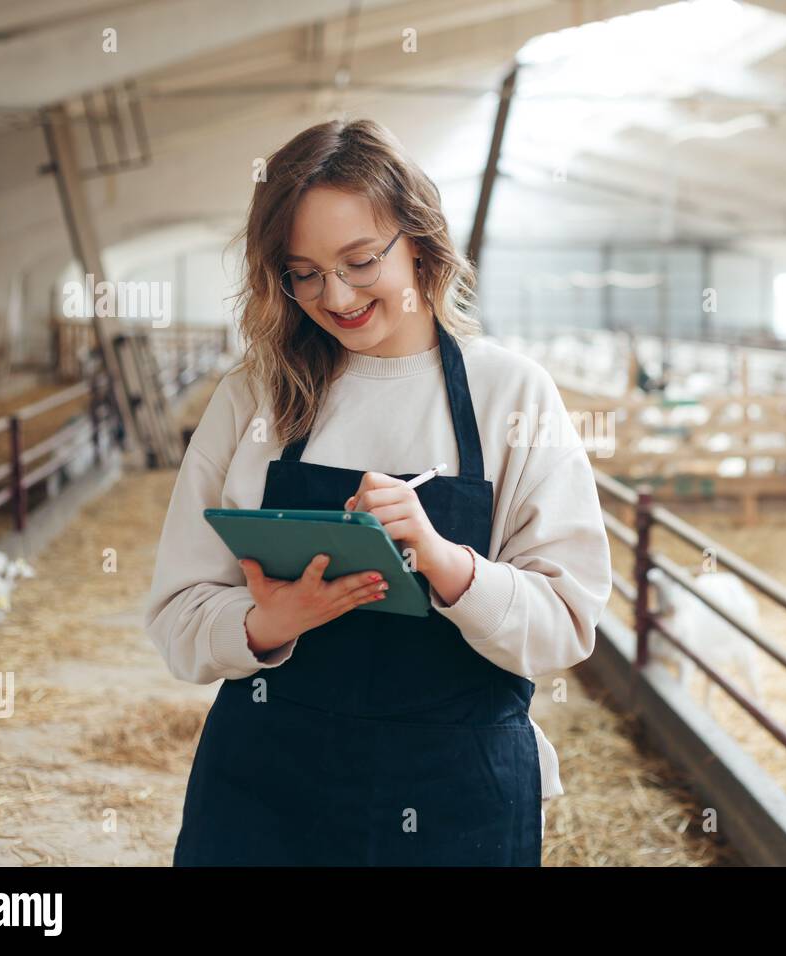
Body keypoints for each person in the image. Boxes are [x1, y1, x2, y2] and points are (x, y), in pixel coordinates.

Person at [144, 118, 612, 866]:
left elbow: (566, 622)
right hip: (267, 785)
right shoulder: (256, 398)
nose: (335, 295)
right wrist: (266, 624)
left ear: (420, 239)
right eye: (303, 272)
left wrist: (446, 564)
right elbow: (176, 614)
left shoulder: (511, 394)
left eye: (360, 261)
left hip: (456, 792)